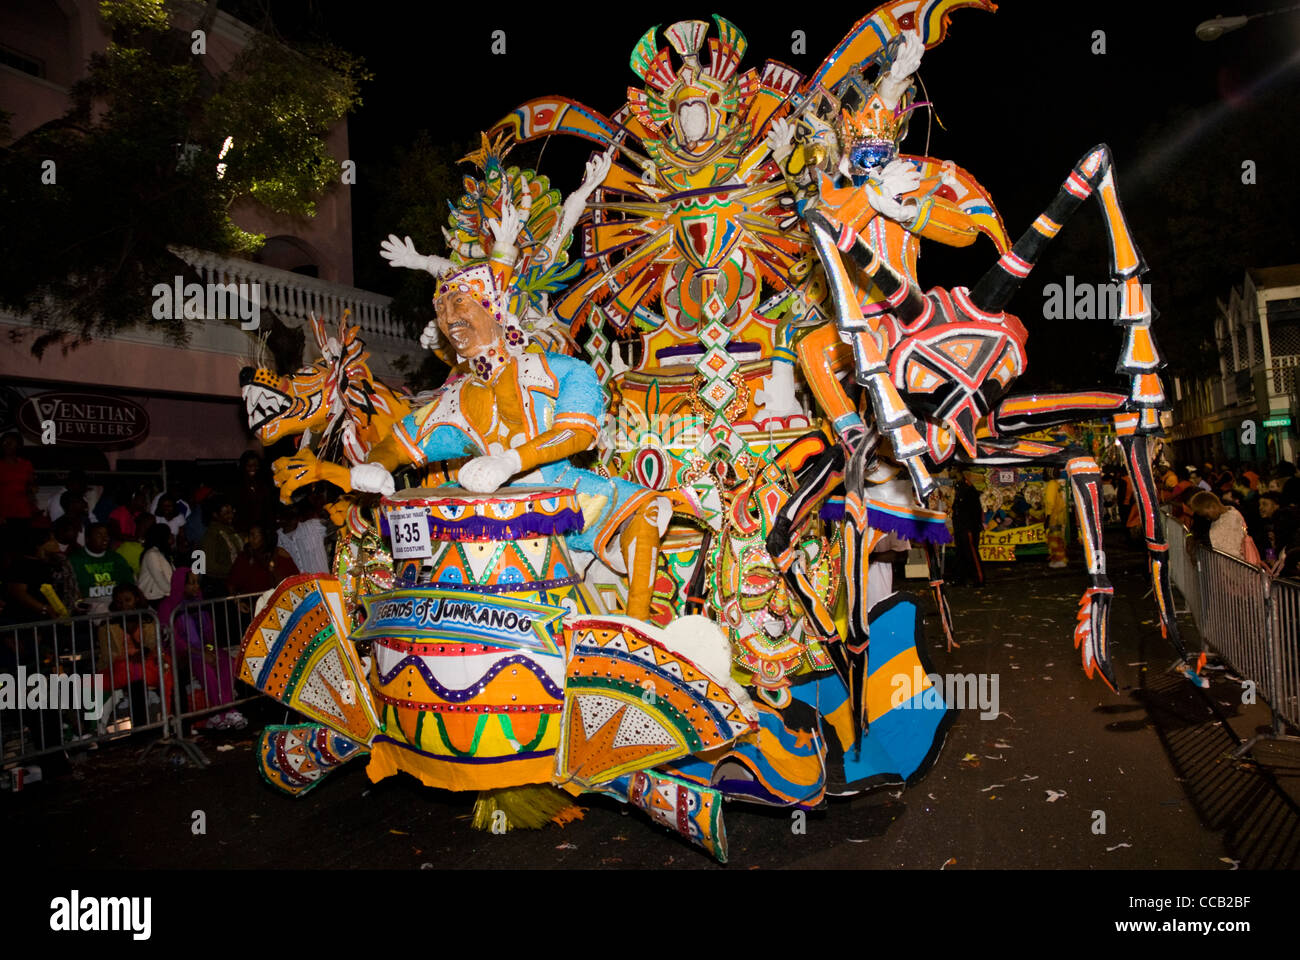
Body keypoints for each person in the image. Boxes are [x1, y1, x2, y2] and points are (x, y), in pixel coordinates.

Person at [158, 568, 246, 730]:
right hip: (184, 653)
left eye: (197, 582)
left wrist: (209, 649)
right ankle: (221, 710)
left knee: (228, 662)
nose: (195, 587)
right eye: (191, 583)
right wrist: (200, 653)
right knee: (206, 669)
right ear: (180, 585)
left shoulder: (199, 601)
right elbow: (174, 640)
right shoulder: (168, 606)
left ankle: (225, 711)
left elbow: (209, 634)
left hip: (203, 648)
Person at [96, 584, 173, 724]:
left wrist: (145, 652)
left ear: (136, 599)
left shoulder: (148, 620)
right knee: (135, 678)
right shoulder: (107, 625)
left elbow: (155, 646)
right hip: (120, 669)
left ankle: (171, 718)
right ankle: (142, 729)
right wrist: (131, 656)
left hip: (146, 667)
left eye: (127, 600)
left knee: (168, 670)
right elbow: (108, 656)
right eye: (119, 602)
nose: (124, 605)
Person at [69, 522, 135, 614]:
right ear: (87, 539)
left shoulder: (116, 558)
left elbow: (129, 584)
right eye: (99, 535)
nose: (105, 538)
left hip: (117, 601)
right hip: (90, 602)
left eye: (106, 535)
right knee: (103, 611)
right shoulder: (75, 560)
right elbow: (72, 592)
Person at [228, 524, 298, 594]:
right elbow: (232, 583)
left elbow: (292, 580)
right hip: (250, 602)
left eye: (253, 535)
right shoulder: (244, 556)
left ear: (265, 537)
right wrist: (239, 602)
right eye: (249, 535)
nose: (250, 539)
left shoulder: (279, 554)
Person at [197, 498, 242, 596]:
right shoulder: (211, 535)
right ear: (215, 515)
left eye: (231, 512)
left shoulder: (231, 531)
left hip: (232, 582)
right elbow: (208, 566)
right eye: (226, 513)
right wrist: (233, 570)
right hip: (219, 586)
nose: (231, 516)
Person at [1189, 491, 1249, 562]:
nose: (1207, 518)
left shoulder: (1232, 518)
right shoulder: (1226, 515)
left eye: (1206, 515)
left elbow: (1223, 547)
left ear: (1213, 506)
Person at [275, 501, 331, 575]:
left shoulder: (312, 526)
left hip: (327, 583)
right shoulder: (277, 540)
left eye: (293, 508)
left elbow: (337, 525)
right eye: (288, 509)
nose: (292, 511)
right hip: (301, 586)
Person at [950, 472, 985, 587]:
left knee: (971, 552)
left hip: (968, 527)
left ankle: (977, 579)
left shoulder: (970, 493)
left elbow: (974, 512)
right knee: (961, 552)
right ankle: (960, 577)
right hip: (962, 526)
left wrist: (971, 526)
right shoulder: (962, 493)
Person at [231, 451, 276, 535]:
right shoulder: (237, 485)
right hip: (245, 529)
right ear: (243, 466)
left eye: (256, 465)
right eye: (249, 466)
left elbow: (268, 506)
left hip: (263, 528)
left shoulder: (263, 483)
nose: (253, 468)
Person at [0, 430, 36, 529]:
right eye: (4, 442)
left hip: (23, 512)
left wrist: (31, 497)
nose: (7, 444)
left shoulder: (26, 464)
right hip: (4, 513)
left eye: (11, 442)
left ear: (19, 445)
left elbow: (30, 486)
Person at [137, 523, 175, 604]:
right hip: (153, 598)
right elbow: (160, 579)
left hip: (162, 595)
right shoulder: (151, 554)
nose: (172, 535)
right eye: (169, 534)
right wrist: (176, 592)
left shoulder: (163, 553)